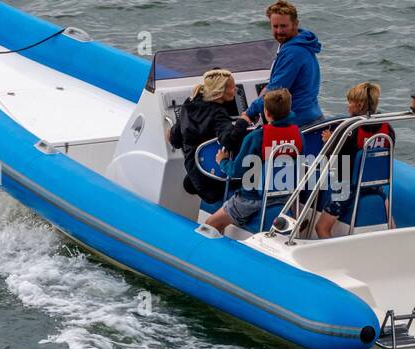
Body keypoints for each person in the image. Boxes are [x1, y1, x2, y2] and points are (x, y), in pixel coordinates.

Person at [205, 88, 303, 233]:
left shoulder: (256, 137)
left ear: (267, 113)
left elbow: (236, 171)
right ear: (289, 110)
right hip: (284, 197)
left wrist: (222, 161)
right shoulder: (298, 135)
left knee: (210, 224)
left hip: (251, 199)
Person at [314, 82, 395, 239]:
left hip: (347, 188)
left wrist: (329, 142)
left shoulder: (350, 130)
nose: (347, 106)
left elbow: (338, 161)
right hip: (374, 186)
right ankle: (394, 238)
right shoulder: (388, 129)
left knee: (321, 227)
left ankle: (332, 259)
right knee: (392, 226)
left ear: (359, 104)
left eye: (350, 102)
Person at [168, 68, 249, 204]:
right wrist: (243, 121)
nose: (235, 89)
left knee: (188, 183)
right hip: (216, 181)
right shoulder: (218, 114)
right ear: (219, 92)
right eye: (232, 87)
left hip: (197, 175)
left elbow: (175, 140)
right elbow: (230, 141)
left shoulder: (189, 104)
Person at [244, 0, 324, 129]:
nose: (279, 31)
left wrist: (248, 113)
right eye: (275, 26)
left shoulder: (292, 52)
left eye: (283, 26)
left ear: (295, 24)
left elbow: (275, 91)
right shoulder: (303, 44)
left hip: (300, 124)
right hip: (313, 117)